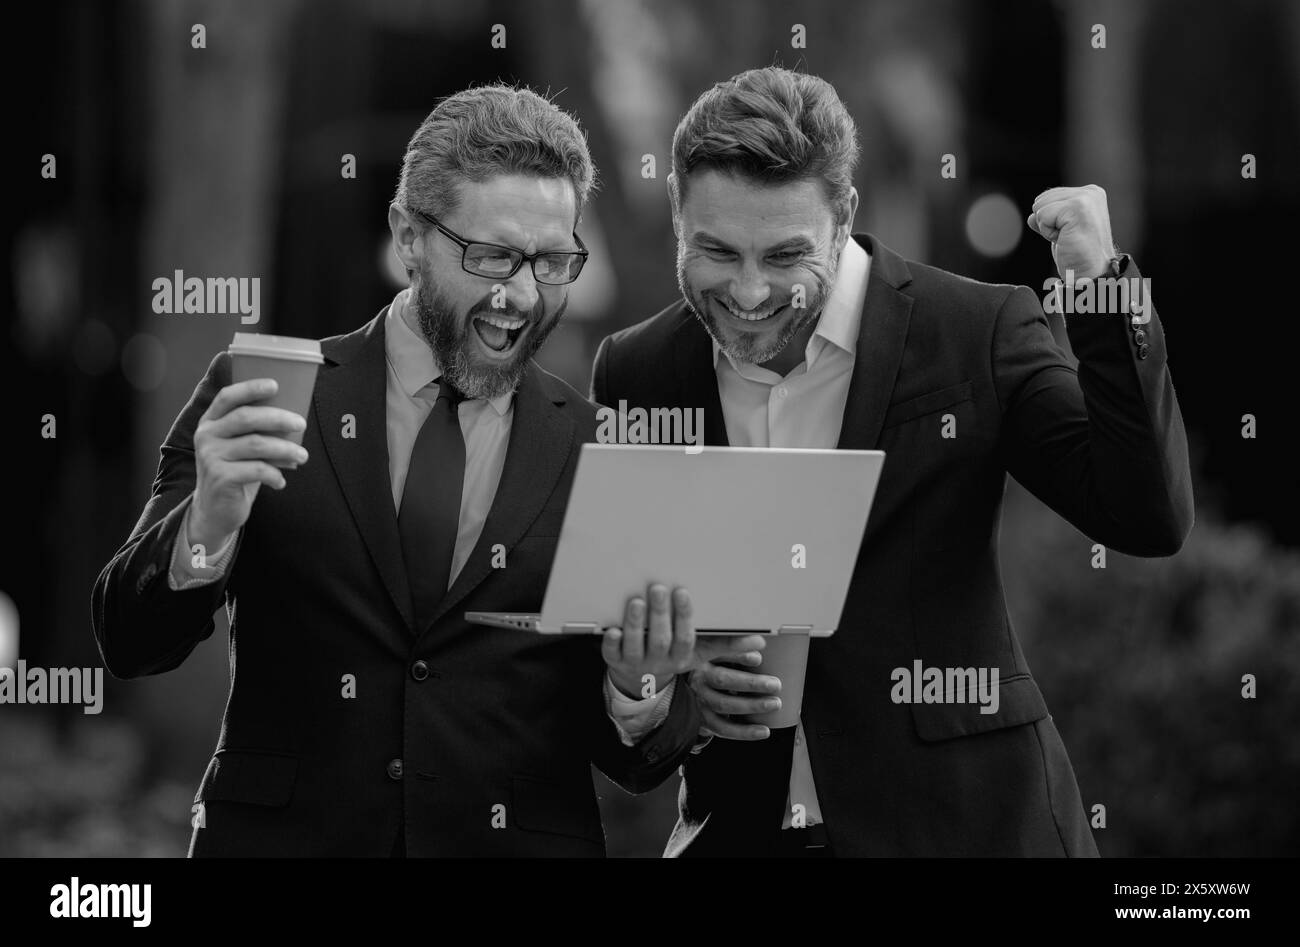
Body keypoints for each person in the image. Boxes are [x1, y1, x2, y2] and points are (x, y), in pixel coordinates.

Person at [91, 84, 723, 857]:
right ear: (408, 236)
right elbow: (128, 638)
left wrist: (638, 687)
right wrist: (204, 529)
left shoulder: (603, 449)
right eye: (490, 255)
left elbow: (632, 758)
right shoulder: (266, 394)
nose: (518, 295)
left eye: (552, 261)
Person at [590, 66, 1193, 857]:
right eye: (715, 251)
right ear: (676, 218)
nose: (746, 291)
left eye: (783, 255)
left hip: (971, 832)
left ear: (842, 216)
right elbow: (633, 677)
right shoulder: (636, 371)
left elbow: (1144, 512)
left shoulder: (976, 328)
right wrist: (667, 688)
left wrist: (1101, 290)